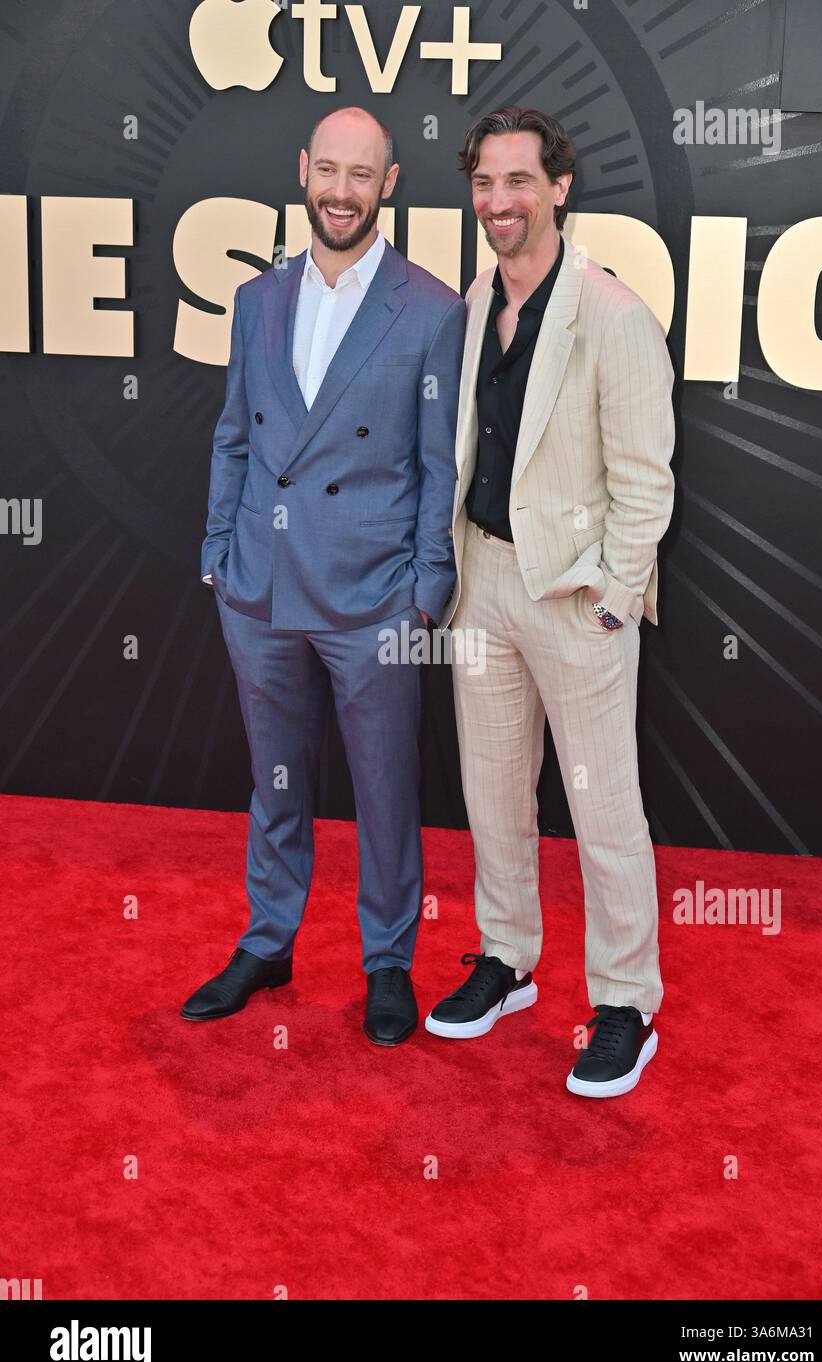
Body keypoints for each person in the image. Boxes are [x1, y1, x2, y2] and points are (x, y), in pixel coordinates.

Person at [183, 107, 465, 1046]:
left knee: (386, 788)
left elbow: (438, 466)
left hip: (372, 596)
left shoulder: (431, 309)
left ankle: (387, 960)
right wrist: (219, 553)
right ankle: (269, 942)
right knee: (275, 781)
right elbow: (234, 436)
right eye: (328, 170)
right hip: (260, 590)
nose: (341, 191)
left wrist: (426, 590)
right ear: (304, 169)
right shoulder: (258, 300)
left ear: (388, 185)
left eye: (362, 175)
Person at [426, 106, 676, 1098]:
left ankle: (625, 1002)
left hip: (575, 596)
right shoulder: (478, 295)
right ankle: (508, 958)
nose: (498, 201)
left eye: (518, 181)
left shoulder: (612, 316)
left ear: (560, 187)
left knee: (603, 808)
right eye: (485, 183)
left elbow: (647, 484)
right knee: (492, 792)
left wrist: (612, 600)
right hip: (483, 581)